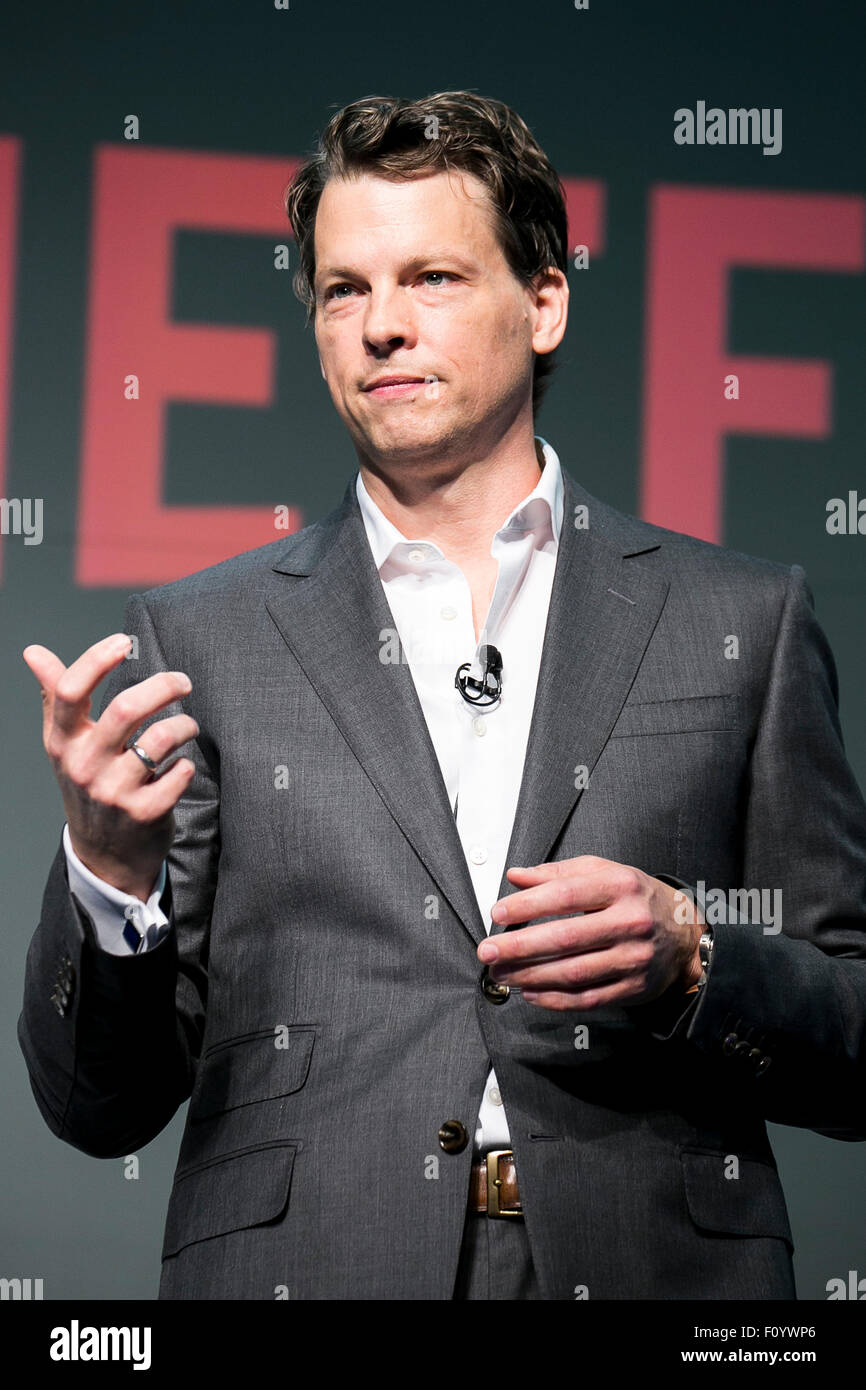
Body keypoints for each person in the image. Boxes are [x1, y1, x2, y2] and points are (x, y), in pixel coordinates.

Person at [19, 91, 866, 1301]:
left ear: (544, 302)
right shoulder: (200, 637)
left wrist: (692, 957)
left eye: (430, 278)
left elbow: (852, 1030)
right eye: (342, 290)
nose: (379, 327)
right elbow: (94, 1104)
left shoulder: (740, 619)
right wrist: (107, 873)